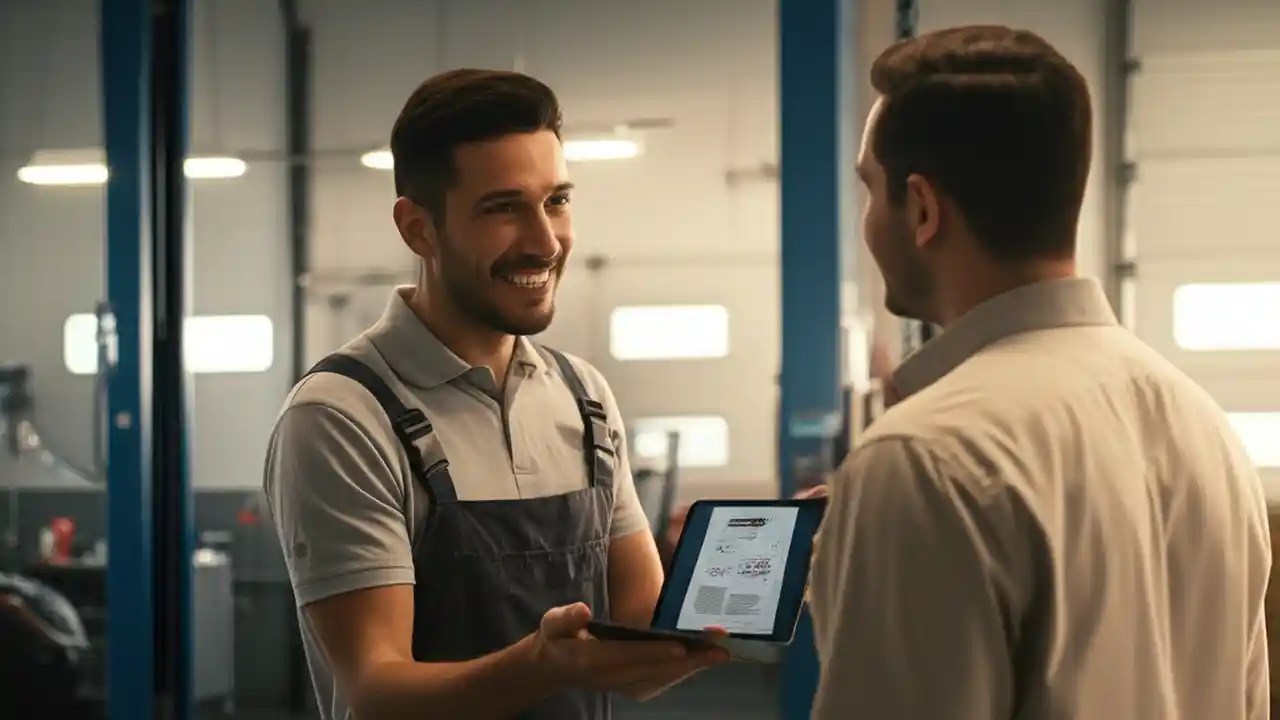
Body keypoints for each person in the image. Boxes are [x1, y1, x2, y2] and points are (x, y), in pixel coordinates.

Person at [807, 25, 1270, 719]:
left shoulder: (926, 459)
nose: (870, 219)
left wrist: (893, 514)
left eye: (872, 190)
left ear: (924, 209)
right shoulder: (1202, 424)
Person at [263, 69, 725, 720]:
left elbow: (644, 636)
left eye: (556, 201)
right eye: (503, 208)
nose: (545, 241)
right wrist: (538, 667)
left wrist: (764, 572)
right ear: (419, 229)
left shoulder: (583, 398)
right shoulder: (343, 417)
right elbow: (375, 695)